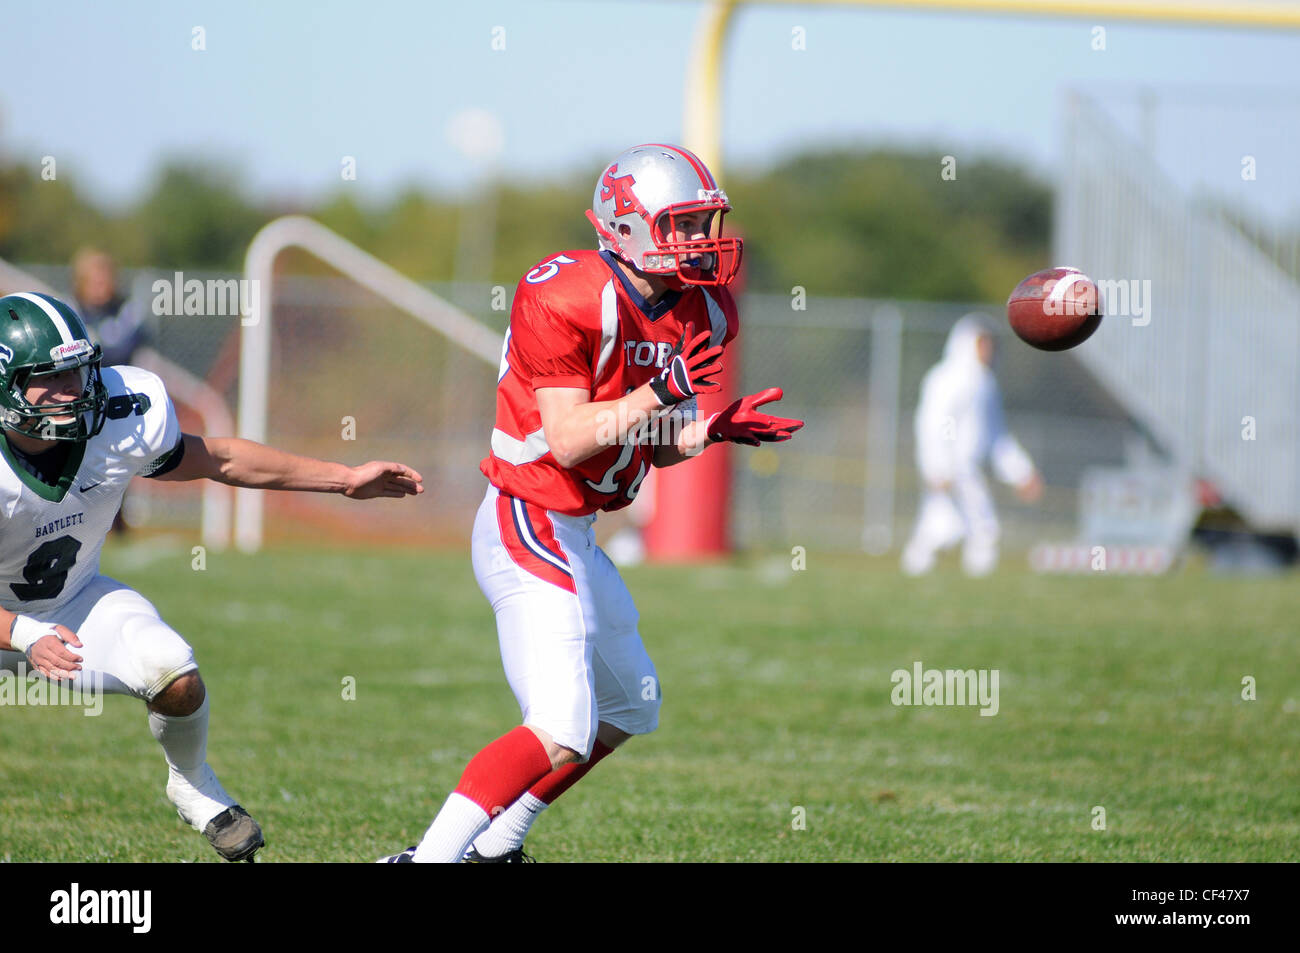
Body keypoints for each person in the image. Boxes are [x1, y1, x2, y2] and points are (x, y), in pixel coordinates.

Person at [379, 144, 803, 863]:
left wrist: (709, 429)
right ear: (628, 227)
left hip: (577, 530)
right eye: (684, 225)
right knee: (559, 724)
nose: (703, 241)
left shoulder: (701, 308)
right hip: (528, 514)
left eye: (705, 223)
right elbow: (571, 440)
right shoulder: (570, 293)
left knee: (632, 702)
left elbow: (650, 442)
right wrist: (663, 392)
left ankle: (497, 844)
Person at [0, 291, 424, 861]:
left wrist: (343, 478)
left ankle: (194, 785)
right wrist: (24, 635)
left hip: (72, 602)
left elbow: (217, 458)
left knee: (172, 671)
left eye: (79, 372)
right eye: (51, 380)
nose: (74, 392)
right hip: (17, 623)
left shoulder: (118, 419)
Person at [901, 313, 1043, 577]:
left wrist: (1021, 472)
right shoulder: (945, 378)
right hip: (950, 470)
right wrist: (938, 468)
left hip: (967, 470)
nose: (988, 351)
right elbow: (931, 424)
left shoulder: (986, 384)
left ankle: (964, 582)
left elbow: (996, 437)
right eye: (982, 343)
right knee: (952, 529)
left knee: (965, 529)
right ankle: (920, 572)